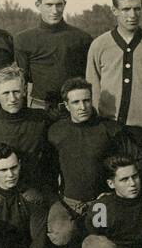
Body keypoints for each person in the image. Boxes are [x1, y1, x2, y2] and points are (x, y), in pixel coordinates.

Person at [85, 0, 142, 151]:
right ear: (114, 10)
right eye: (126, 9)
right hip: (109, 129)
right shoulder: (99, 45)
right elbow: (92, 87)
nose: (132, 15)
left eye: (137, 9)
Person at [0, 64, 54, 199]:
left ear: (25, 91)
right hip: (3, 197)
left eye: (16, 92)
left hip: (37, 195)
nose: (12, 99)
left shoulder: (41, 120)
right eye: (6, 93)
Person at [48, 77, 135, 212]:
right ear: (66, 105)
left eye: (86, 101)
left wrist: (114, 193)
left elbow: (134, 161)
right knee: (62, 232)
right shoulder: (55, 131)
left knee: (98, 232)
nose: (82, 107)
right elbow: (48, 171)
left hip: (101, 202)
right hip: (68, 203)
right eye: (76, 102)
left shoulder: (109, 129)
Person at [14, 0, 91, 112]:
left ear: (65, 4)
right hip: (38, 109)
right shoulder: (23, 39)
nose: (54, 11)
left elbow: (88, 79)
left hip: (73, 109)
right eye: (49, 5)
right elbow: (22, 82)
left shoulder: (81, 38)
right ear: (38, 5)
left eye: (59, 5)